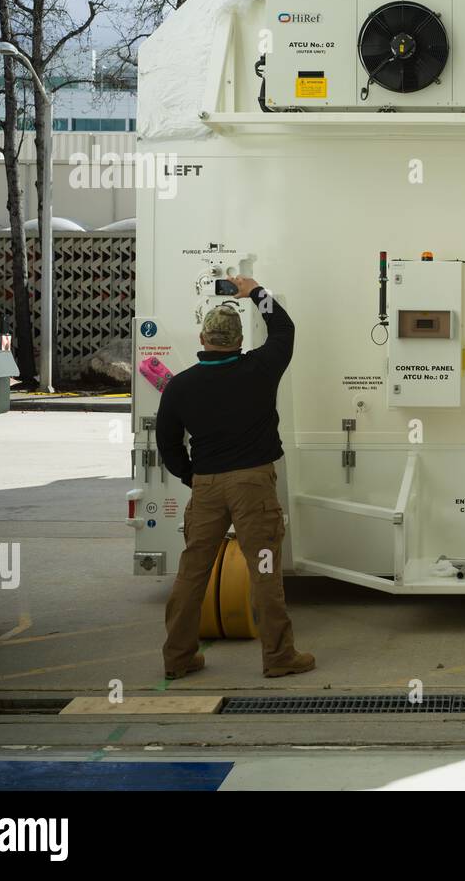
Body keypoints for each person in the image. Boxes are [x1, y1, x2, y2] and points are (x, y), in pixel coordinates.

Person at [155, 277, 315, 679]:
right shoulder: (261, 368)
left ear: (202, 337)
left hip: (207, 485)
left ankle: (178, 658)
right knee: (264, 571)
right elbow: (284, 328)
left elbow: (168, 443)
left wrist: (194, 478)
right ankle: (278, 657)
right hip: (253, 485)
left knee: (193, 573)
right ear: (240, 340)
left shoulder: (180, 385)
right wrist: (256, 292)